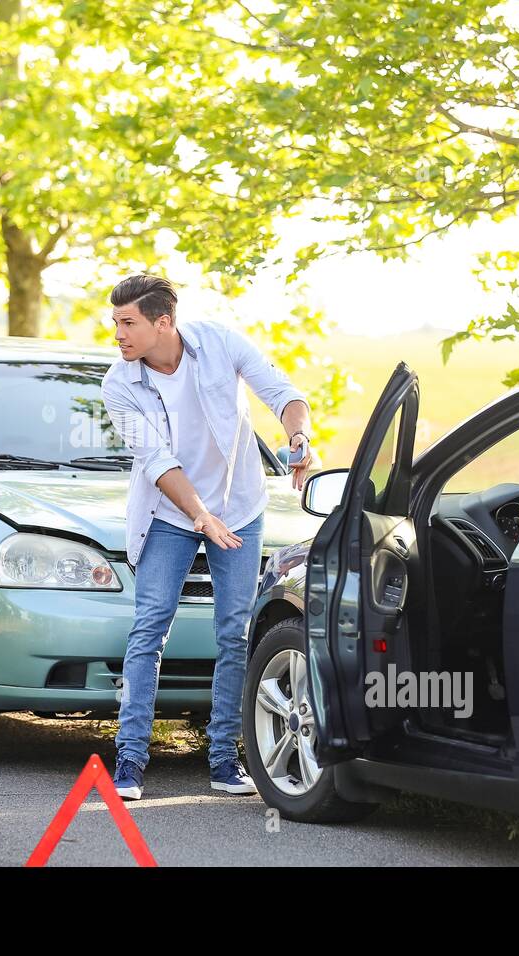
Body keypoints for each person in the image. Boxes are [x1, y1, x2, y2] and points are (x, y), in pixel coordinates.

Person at [100, 274, 314, 800]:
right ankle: (129, 761)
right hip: (169, 514)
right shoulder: (119, 383)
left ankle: (224, 759)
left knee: (234, 633)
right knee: (149, 628)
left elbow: (281, 393)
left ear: (163, 322)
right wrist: (199, 516)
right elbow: (158, 462)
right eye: (115, 323)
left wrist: (300, 438)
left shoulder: (219, 342)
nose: (118, 334)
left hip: (239, 508)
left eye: (128, 323)